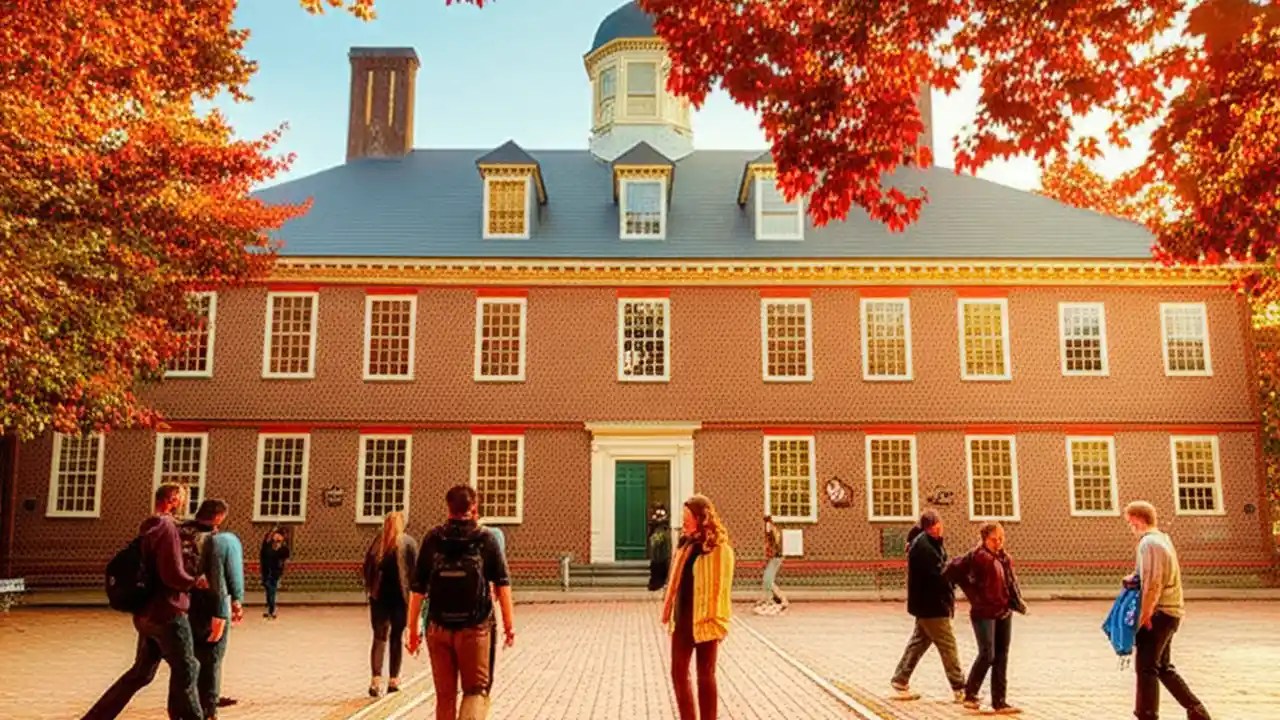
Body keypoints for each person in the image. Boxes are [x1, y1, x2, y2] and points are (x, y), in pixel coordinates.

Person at [83, 484, 203, 720]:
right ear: (173, 499)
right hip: (167, 611)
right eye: (182, 499)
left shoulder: (148, 527)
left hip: (146, 613)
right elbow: (172, 573)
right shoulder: (166, 528)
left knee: (141, 673)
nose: (184, 504)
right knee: (187, 667)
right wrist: (194, 581)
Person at [407, 485, 515, 720]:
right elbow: (503, 585)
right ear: (473, 507)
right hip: (474, 629)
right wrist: (509, 625)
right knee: (475, 691)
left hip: (438, 627)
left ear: (448, 507)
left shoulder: (433, 538)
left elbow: (417, 589)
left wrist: (413, 629)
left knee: (444, 697)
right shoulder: (485, 539)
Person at [1124, 501, 1212, 720]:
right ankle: (1196, 710)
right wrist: (1134, 579)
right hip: (1171, 612)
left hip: (1158, 614)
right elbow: (1155, 576)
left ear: (1137, 520)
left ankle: (1146, 714)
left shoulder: (1149, 544)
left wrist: (1144, 616)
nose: (1129, 528)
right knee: (1162, 667)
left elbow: (1153, 584)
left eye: (1130, 523)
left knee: (1146, 669)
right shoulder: (1163, 540)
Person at [660, 495, 736, 720]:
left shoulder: (718, 549)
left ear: (700, 517)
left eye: (687, 517)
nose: (684, 522)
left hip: (706, 620)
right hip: (683, 620)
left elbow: (722, 587)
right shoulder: (685, 544)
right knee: (678, 673)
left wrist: (718, 620)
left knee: (705, 675)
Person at [947, 521, 1025, 715]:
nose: (998, 542)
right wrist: (974, 594)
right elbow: (953, 570)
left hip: (1003, 610)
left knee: (1001, 656)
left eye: (1001, 538)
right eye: (993, 539)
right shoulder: (978, 557)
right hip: (984, 612)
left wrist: (1016, 602)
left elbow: (1010, 582)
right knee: (987, 653)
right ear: (984, 539)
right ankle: (970, 693)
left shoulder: (1004, 558)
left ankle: (1000, 700)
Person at [890, 510, 965, 703]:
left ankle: (901, 678)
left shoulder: (927, 543)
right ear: (928, 528)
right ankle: (959, 687)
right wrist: (954, 576)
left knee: (919, 642)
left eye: (938, 525)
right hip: (933, 604)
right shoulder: (925, 548)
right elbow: (938, 575)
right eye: (935, 526)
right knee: (947, 644)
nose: (939, 529)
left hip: (925, 604)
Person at [182, 499, 245, 719]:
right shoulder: (221, 541)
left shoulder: (180, 534)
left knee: (190, 654)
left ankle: (189, 701)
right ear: (218, 517)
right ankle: (209, 705)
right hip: (211, 603)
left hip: (182, 603)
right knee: (214, 654)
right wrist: (234, 603)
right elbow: (226, 578)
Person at [362, 511, 418, 697]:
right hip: (400, 599)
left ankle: (375, 680)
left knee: (379, 638)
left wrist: (371, 589)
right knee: (396, 638)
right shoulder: (408, 543)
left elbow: (366, 569)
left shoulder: (377, 544)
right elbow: (415, 573)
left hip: (379, 599)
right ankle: (394, 679)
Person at [755, 515, 789, 614]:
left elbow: (775, 545)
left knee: (768, 580)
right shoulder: (770, 531)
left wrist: (772, 553)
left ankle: (772, 600)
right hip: (775, 557)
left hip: (776, 557)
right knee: (768, 580)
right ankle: (772, 599)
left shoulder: (772, 531)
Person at [258, 526, 289, 619]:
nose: (276, 539)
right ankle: (270, 609)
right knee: (268, 590)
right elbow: (264, 547)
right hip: (266, 571)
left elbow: (284, 557)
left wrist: (279, 547)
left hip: (275, 573)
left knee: (272, 590)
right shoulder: (268, 547)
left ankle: (272, 610)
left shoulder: (283, 549)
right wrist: (271, 531)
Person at [647, 504, 671, 592]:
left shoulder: (663, 531)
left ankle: (659, 582)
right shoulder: (655, 529)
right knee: (656, 562)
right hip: (656, 553)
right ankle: (655, 583)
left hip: (661, 552)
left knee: (660, 562)